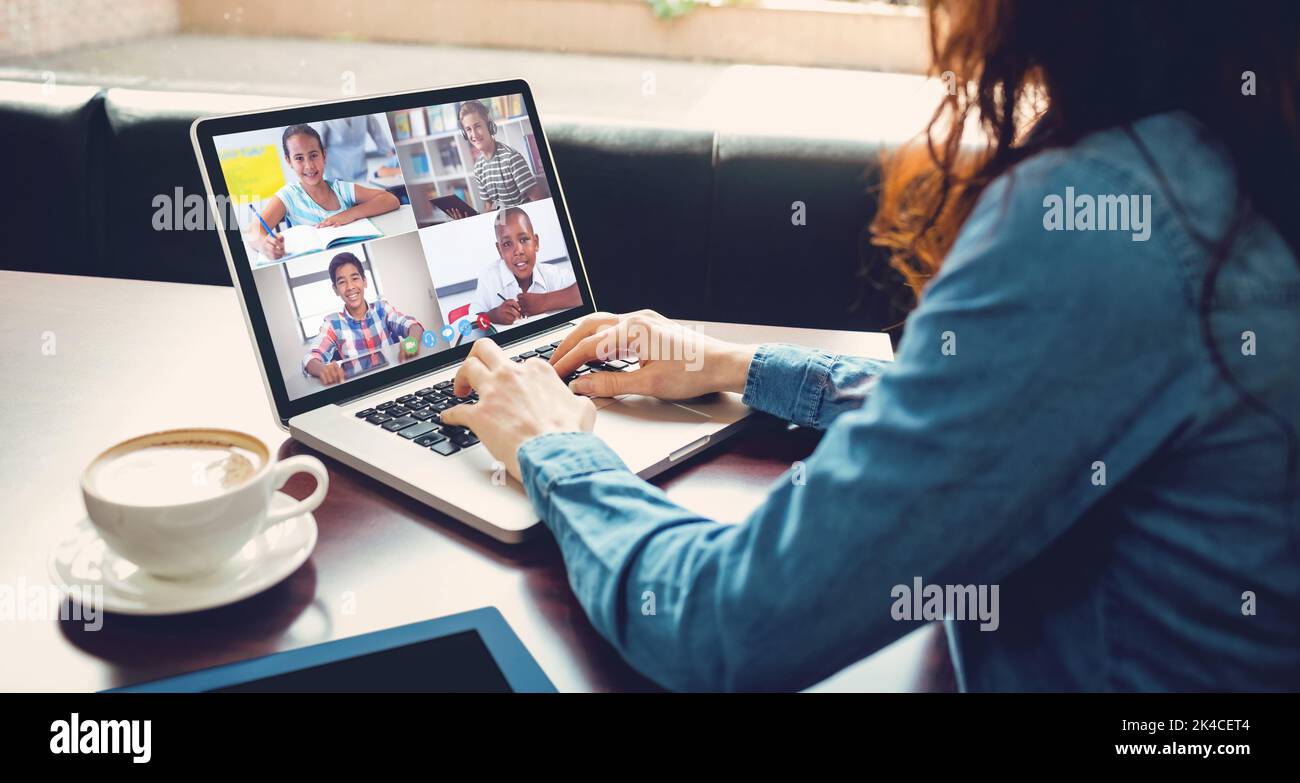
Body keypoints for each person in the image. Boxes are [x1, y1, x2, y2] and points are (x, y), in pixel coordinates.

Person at [440, 0, 1300, 692]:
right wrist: (737, 366)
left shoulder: (1106, 218)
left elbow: (721, 625)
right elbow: (1016, 412)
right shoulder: (1239, 160)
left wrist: (555, 448)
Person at [252, 125, 401, 261]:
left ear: (324, 155)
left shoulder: (340, 189)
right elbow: (254, 233)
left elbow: (390, 199)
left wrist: (349, 214)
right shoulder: (288, 195)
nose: (309, 165)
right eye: (299, 158)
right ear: (289, 161)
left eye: (313, 155)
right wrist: (263, 246)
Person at [303, 252, 424, 385]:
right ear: (336, 289)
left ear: (364, 281)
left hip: (398, 380)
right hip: (362, 389)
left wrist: (411, 342)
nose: (350, 287)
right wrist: (323, 370)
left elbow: (413, 326)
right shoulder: (332, 324)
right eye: (342, 282)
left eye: (355, 278)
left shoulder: (382, 309)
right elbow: (311, 357)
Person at [473, 206, 580, 326]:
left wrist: (545, 301)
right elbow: (470, 323)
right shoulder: (489, 279)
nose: (518, 251)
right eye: (507, 244)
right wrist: (493, 316)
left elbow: (584, 291)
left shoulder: (551, 274)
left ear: (536, 243)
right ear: (499, 250)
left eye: (524, 240)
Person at [461, 100, 543, 213]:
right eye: (468, 129)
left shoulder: (511, 158)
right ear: (465, 134)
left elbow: (540, 203)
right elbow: (489, 206)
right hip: (503, 225)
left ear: (490, 127)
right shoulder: (478, 167)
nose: (474, 134)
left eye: (478, 126)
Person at [313, 115, 397, 183]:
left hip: (359, 170)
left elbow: (378, 135)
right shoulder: (325, 120)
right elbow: (318, 147)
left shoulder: (364, 114)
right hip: (335, 172)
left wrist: (395, 159)